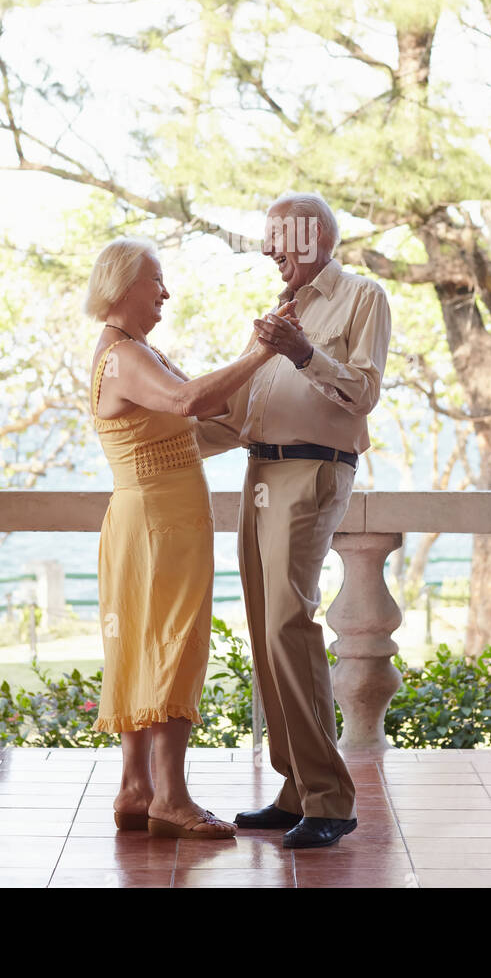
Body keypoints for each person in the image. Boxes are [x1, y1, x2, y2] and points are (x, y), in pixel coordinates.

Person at [84, 236, 300, 840]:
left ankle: (135, 788)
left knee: (139, 646)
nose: (166, 292)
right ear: (125, 285)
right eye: (157, 280)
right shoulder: (125, 358)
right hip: (159, 524)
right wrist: (261, 351)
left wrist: (262, 348)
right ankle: (171, 798)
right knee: (174, 645)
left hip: (146, 521)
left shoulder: (130, 351)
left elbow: (211, 406)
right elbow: (188, 399)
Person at [195, 192, 392, 849]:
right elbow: (237, 418)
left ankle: (330, 799)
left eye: (277, 236)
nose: (266, 248)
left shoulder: (362, 297)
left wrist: (303, 352)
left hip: (313, 471)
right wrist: (154, 428)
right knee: (263, 629)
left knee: (287, 623)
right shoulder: (277, 316)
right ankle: (294, 790)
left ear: (312, 236)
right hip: (258, 473)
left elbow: (362, 393)